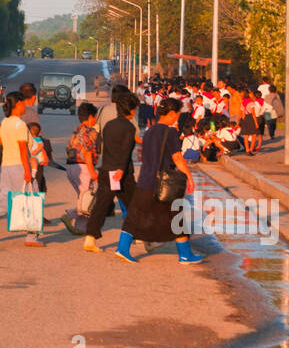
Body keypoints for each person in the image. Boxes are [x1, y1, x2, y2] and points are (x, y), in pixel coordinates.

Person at [114, 96, 202, 264]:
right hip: (163, 183)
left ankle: (122, 248)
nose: (177, 116)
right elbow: (176, 157)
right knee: (177, 217)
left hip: (145, 180)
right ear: (171, 113)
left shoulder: (149, 131)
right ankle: (185, 255)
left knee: (135, 215)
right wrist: (189, 176)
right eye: (177, 113)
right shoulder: (170, 133)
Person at [0, 91, 42, 248]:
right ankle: (32, 237)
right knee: (32, 197)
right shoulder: (20, 125)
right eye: (23, 103)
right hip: (19, 166)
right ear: (18, 104)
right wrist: (27, 171)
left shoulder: (5, 122)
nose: (25, 106)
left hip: (6, 167)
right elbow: (22, 150)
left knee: (6, 201)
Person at [81, 90, 140, 254]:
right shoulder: (128, 127)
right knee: (135, 205)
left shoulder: (109, 125)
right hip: (121, 174)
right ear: (130, 110)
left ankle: (90, 238)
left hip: (106, 169)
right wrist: (121, 169)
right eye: (134, 109)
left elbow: (105, 147)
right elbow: (126, 150)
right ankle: (144, 237)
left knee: (101, 205)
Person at [61, 102, 100, 235]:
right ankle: (71, 214)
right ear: (90, 117)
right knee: (89, 199)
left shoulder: (76, 130)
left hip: (71, 167)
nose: (95, 120)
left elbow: (68, 148)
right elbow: (88, 152)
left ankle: (81, 227)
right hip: (83, 168)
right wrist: (92, 171)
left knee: (83, 197)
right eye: (95, 117)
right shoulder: (90, 131)